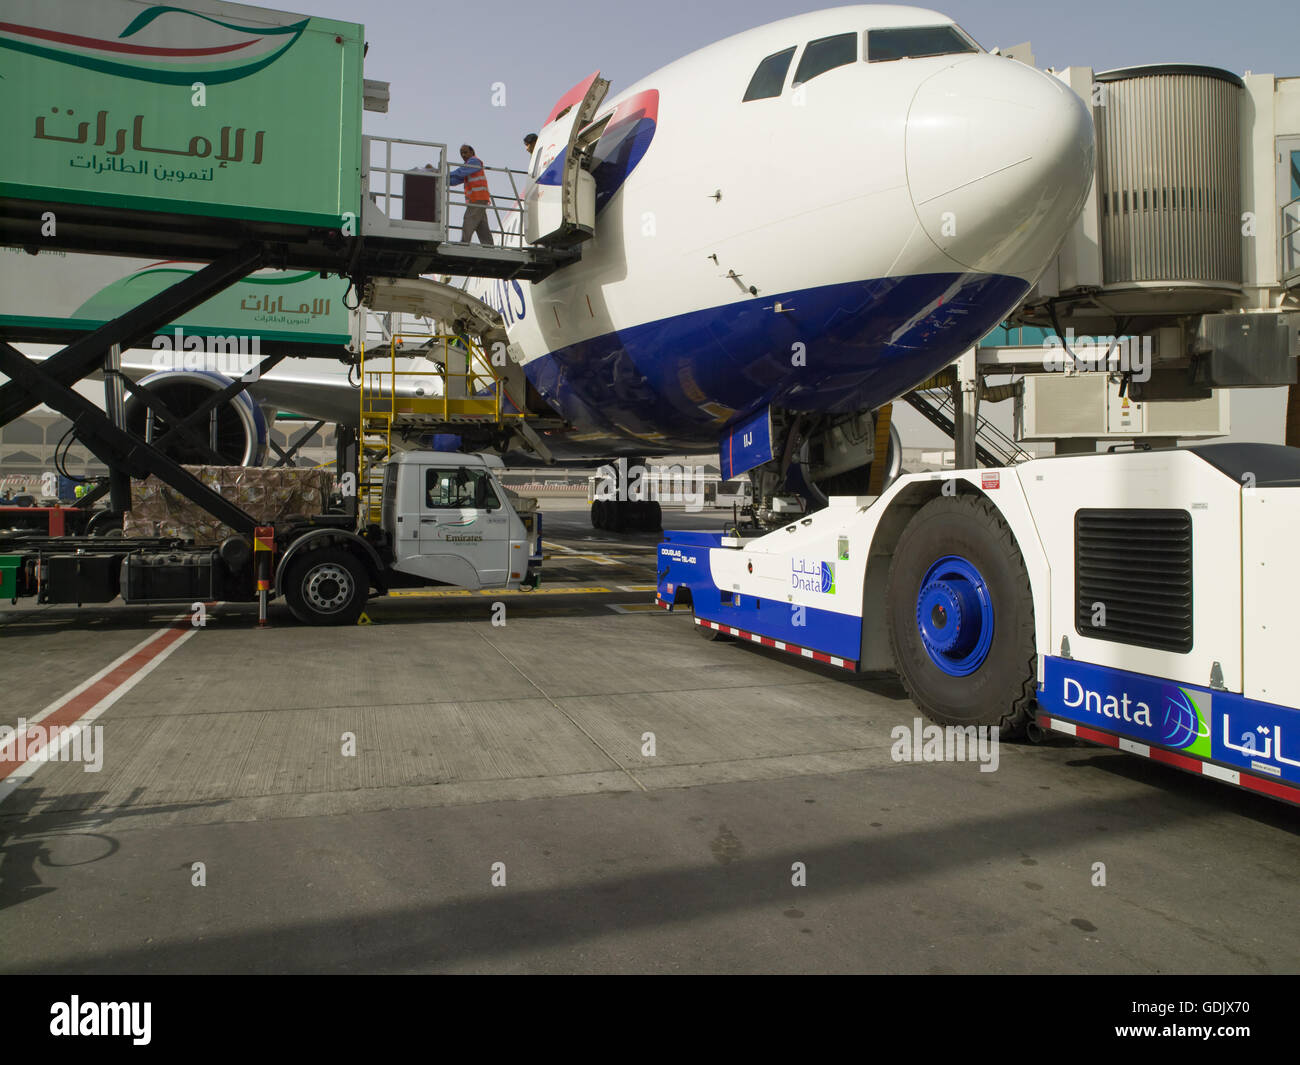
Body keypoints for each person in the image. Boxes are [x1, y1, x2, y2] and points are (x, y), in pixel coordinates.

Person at [447, 144, 493, 245]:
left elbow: (459, 172)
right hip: (479, 198)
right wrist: (441, 178)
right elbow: (455, 180)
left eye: (465, 152)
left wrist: (444, 174)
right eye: (461, 153)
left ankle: (464, 242)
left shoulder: (474, 161)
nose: (463, 155)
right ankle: (488, 246)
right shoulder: (468, 168)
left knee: (469, 218)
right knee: (481, 224)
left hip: (478, 197)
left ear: (472, 152)